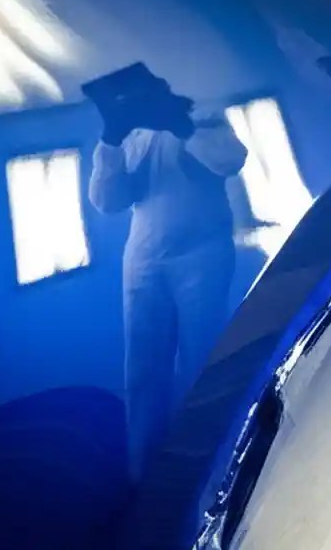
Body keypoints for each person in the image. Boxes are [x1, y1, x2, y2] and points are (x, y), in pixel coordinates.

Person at [87, 74, 249, 481]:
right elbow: (108, 201)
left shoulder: (203, 115)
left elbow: (231, 159)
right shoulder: (132, 132)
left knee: (201, 360)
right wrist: (110, 137)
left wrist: (180, 125)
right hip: (143, 260)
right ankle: (144, 475)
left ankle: (205, 468)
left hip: (202, 257)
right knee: (142, 369)